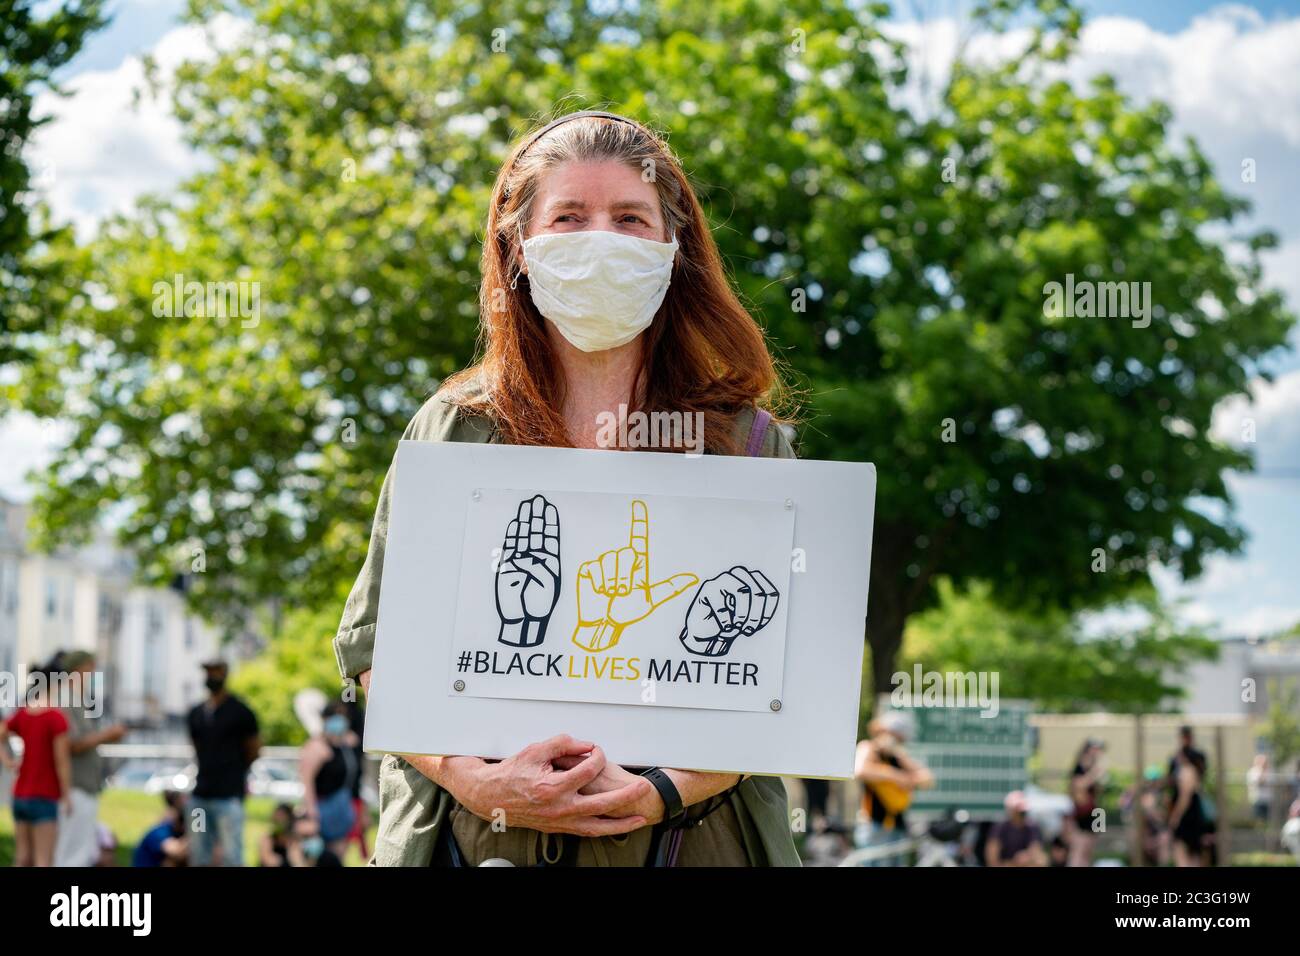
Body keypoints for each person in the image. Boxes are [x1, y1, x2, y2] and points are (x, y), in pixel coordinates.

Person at [332, 110, 801, 867]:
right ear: (518, 246)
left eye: (630, 218)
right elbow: (378, 652)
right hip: (477, 842)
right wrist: (475, 781)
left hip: (694, 843)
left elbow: (790, 688)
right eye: (571, 217)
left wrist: (663, 788)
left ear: (673, 246)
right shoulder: (454, 429)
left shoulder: (747, 445)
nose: (601, 241)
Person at [53, 650, 129, 867]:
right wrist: (107, 734)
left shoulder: (79, 700)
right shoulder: (66, 698)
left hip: (84, 786)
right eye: (90, 669)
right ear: (78, 669)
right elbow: (72, 744)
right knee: (70, 854)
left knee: (81, 851)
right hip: (73, 786)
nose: (93, 675)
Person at [186, 659, 260, 866]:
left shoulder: (241, 712)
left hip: (229, 796)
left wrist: (236, 770)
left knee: (231, 854)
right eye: (208, 673)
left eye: (215, 673)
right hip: (201, 795)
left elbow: (254, 749)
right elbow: (197, 747)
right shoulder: (196, 713)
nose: (211, 678)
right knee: (199, 852)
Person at [0, 660, 72, 866]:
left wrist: (7, 761)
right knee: (43, 861)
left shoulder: (24, 713)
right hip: (45, 794)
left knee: (22, 857)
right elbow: (62, 761)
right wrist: (66, 795)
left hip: (21, 793)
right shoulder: (56, 717)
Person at [853, 711, 933, 865]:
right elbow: (860, 770)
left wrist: (903, 763)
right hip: (873, 825)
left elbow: (927, 778)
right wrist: (895, 776)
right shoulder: (868, 748)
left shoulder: (898, 756)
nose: (896, 740)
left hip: (897, 827)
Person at [300, 702, 359, 860]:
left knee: (337, 857)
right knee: (317, 857)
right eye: (335, 715)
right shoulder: (316, 746)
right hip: (321, 809)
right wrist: (312, 812)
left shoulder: (345, 746)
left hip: (340, 810)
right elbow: (307, 780)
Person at [1168, 742, 1213, 867]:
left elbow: (1184, 797)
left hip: (1187, 816)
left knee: (1181, 850)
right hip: (1195, 815)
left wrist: (1175, 817)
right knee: (1195, 853)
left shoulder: (1186, 770)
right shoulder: (1196, 771)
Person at [1066, 738, 1105, 866]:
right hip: (1080, 816)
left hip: (1095, 814)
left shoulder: (1094, 768)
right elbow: (1078, 786)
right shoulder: (1080, 768)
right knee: (1078, 851)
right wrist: (1094, 774)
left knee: (1088, 851)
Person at [984, 791, 1046, 867]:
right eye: (1018, 811)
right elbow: (992, 858)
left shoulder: (1032, 828)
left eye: (1023, 811)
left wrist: (1027, 856)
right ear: (1010, 810)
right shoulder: (1000, 828)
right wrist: (1013, 863)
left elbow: (1037, 852)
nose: (1022, 814)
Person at [132, 791, 190, 867]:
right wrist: (197, 833)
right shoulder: (160, 831)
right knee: (173, 860)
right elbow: (176, 852)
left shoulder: (175, 831)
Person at [259, 803, 305, 867]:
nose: (278, 821)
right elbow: (267, 860)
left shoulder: (293, 841)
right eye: (276, 818)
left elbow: (298, 863)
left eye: (281, 817)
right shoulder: (268, 838)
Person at [1246, 753, 1271, 823]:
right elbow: (1259, 782)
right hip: (1257, 800)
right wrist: (1261, 771)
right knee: (1258, 820)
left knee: (1266, 820)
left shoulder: (1269, 771)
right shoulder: (1253, 771)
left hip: (1267, 800)